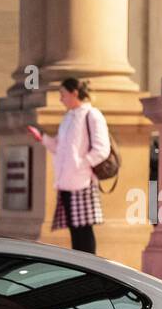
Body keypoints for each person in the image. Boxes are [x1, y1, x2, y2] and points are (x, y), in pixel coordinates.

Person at [27, 77, 111, 255]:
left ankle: (91, 268)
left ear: (74, 93)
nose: (60, 99)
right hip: (65, 182)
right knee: (75, 231)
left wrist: (81, 165)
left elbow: (102, 149)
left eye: (62, 94)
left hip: (82, 181)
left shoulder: (92, 115)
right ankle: (83, 268)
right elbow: (59, 147)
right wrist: (42, 138)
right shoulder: (68, 118)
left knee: (84, 232)